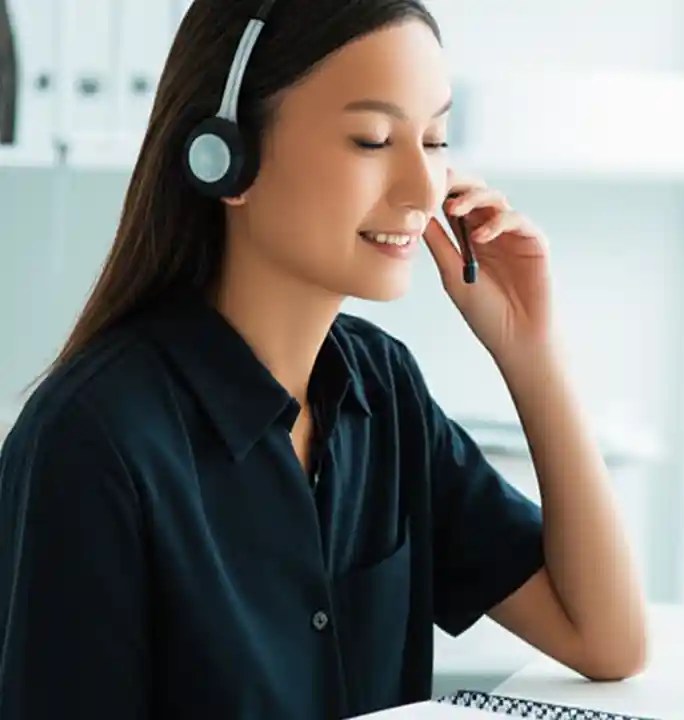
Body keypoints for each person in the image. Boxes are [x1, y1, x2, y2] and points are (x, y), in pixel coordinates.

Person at [0, 1, 648, 717]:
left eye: (434, 140)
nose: (422, 188)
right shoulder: (94, 442)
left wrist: (530, 351)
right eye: (372, 140)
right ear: (226, 156)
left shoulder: (383, 391)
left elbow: (606, 639)